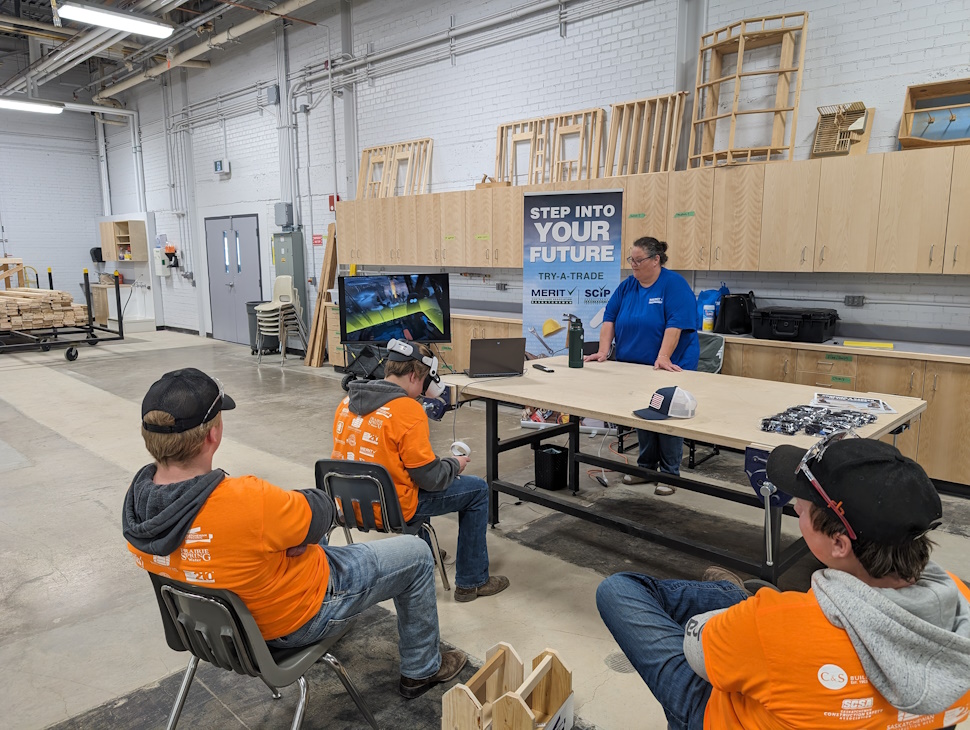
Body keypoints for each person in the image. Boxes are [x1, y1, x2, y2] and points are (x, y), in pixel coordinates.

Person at [122, 367, 466, 700]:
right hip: (295, 620)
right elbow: (323, 511)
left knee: (293, 539)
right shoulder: (245, 499)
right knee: (417, 553)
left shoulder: (138, 509)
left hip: (223, 637)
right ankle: (422, 669)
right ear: (213, 435)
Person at [596, 435, 970, 730]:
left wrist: (739, 618)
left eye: (803, 509)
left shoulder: (779, 624)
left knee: (619, 590)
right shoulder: (961, 599)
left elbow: (700, 655)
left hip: (720, 710)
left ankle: (735, 597)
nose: (795, 508)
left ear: (839, 543)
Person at [332, 339, 509, 603]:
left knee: (406, 477)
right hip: (392, 509)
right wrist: (452, 464)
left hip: (350, 505)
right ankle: (471, 583)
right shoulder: (408, 409)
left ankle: (425, 550)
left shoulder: (346, 402)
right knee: (477, 490)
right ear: (415, 375)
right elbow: (431, 478)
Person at [584, 236, 699, 495]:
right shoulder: (628, 287)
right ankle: (645, 468)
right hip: (635, 366)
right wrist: (603, 351)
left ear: (656, 259)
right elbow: (609, 318)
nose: (633, 266)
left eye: (638, 260)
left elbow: (675, 325)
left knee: (668, 420)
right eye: (631, 261)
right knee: (644, 415)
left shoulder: (674, 285)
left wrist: (664, 357)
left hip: (670, 366)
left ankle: (670, 475)